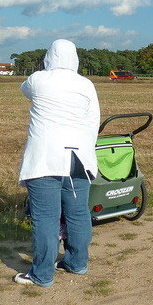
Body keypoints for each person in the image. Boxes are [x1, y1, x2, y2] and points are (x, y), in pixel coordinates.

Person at [14, 39, 100, 288]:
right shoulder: (86, 84)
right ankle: (77, 263)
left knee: (46, 219)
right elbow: (94, 118)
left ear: (49, 57)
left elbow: (24, 91)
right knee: (78, 214)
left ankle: (42, 274)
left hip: (45, 159)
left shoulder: (38, 79)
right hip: (79, 159)